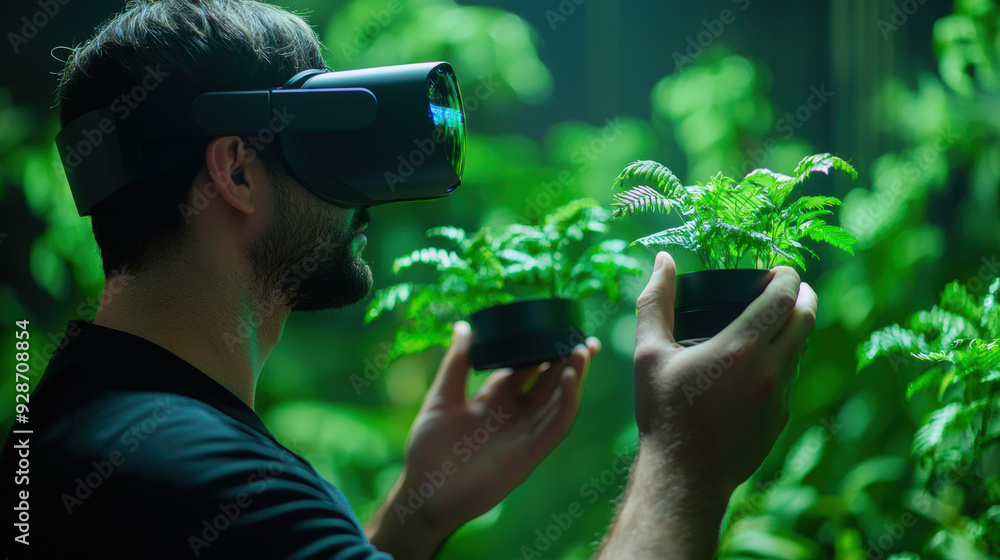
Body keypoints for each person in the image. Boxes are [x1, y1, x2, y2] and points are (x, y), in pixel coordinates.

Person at [1, 1, 816, 558]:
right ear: (238, 172)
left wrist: (416, 516)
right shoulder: (208, 477)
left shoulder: (69, 428)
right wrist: (686, 455)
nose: (360, 196)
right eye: (318, 145)